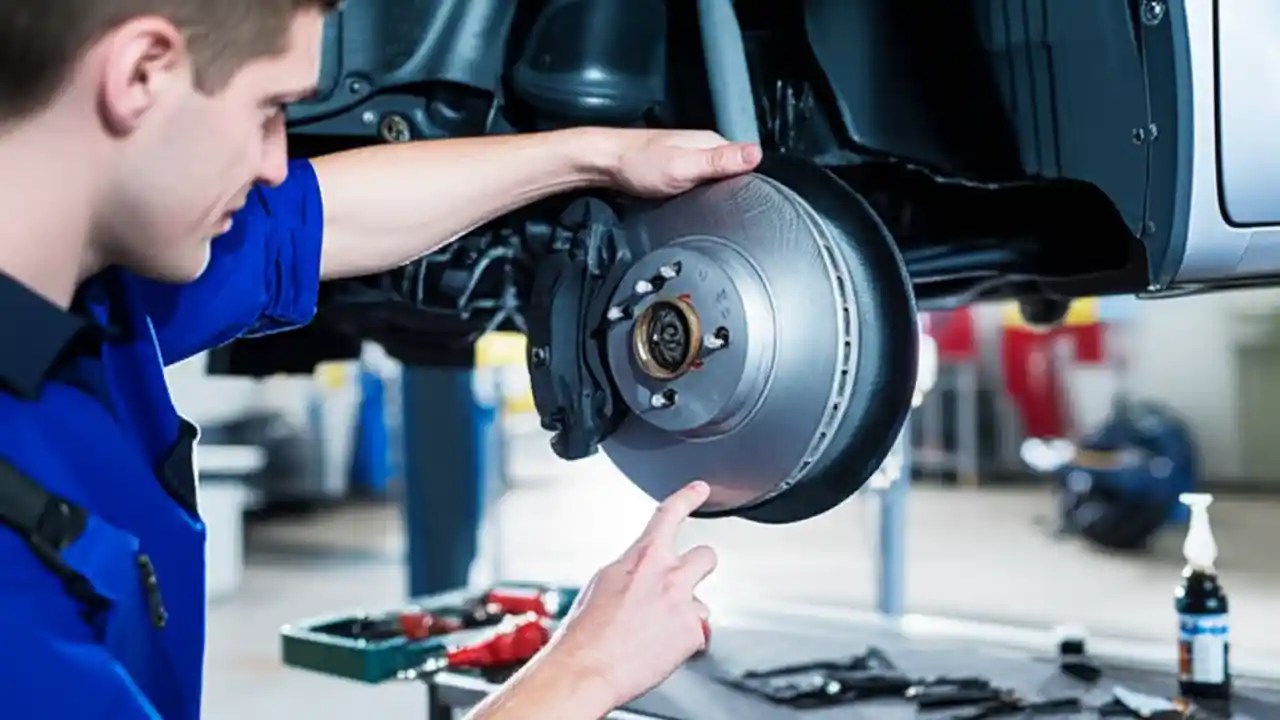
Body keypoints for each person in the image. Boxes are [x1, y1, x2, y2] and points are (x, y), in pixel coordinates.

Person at [0, 1, 762, 719]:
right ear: (141, 73)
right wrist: (586, 669)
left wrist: (603, 155)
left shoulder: (96, 299)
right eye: (268, 109)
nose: (275, 163)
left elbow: (320, 217)